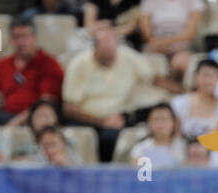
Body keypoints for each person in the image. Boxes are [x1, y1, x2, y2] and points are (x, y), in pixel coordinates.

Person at [62, 25, 155, 162]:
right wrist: (102, 122)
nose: (110, 59)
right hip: (85, 119)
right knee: (74, 137)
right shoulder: (79, 64)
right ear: (95, 49)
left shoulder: (128, 56)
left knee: (112, 138)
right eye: (105, 55)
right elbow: (69, 108)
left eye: (113, 54)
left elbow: (153, 78)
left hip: (118, 117)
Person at [0, 16, 65, 127]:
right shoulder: (3, 64)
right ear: (11, 39)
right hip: (5, 116)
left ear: (34, 37)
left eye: (25, 36)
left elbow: (45, 102)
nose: (21, 42)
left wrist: (14, 123)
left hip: (35, 118)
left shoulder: (49, 64)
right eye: (16, 37)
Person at [138, 0, 203, 78]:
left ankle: (174, 84)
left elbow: (191, 32)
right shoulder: (149, 2)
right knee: (149, 65)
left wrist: (165, 41)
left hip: (182, 46)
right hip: (156, 45)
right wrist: (157, 42)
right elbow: (146, 33)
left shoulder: (193, 2)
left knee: (181, 63)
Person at [171, 58, 218, 137]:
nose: (208, 80)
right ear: (195, 76)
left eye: (213, 75)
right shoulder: (179, 102)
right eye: (205, 75)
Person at [129, 100, 183, 166]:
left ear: (174, 122)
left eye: (164, 119)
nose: (160, 124)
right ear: (148, 123)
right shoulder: (140, 148)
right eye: (156, 119)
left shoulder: (184, 146)